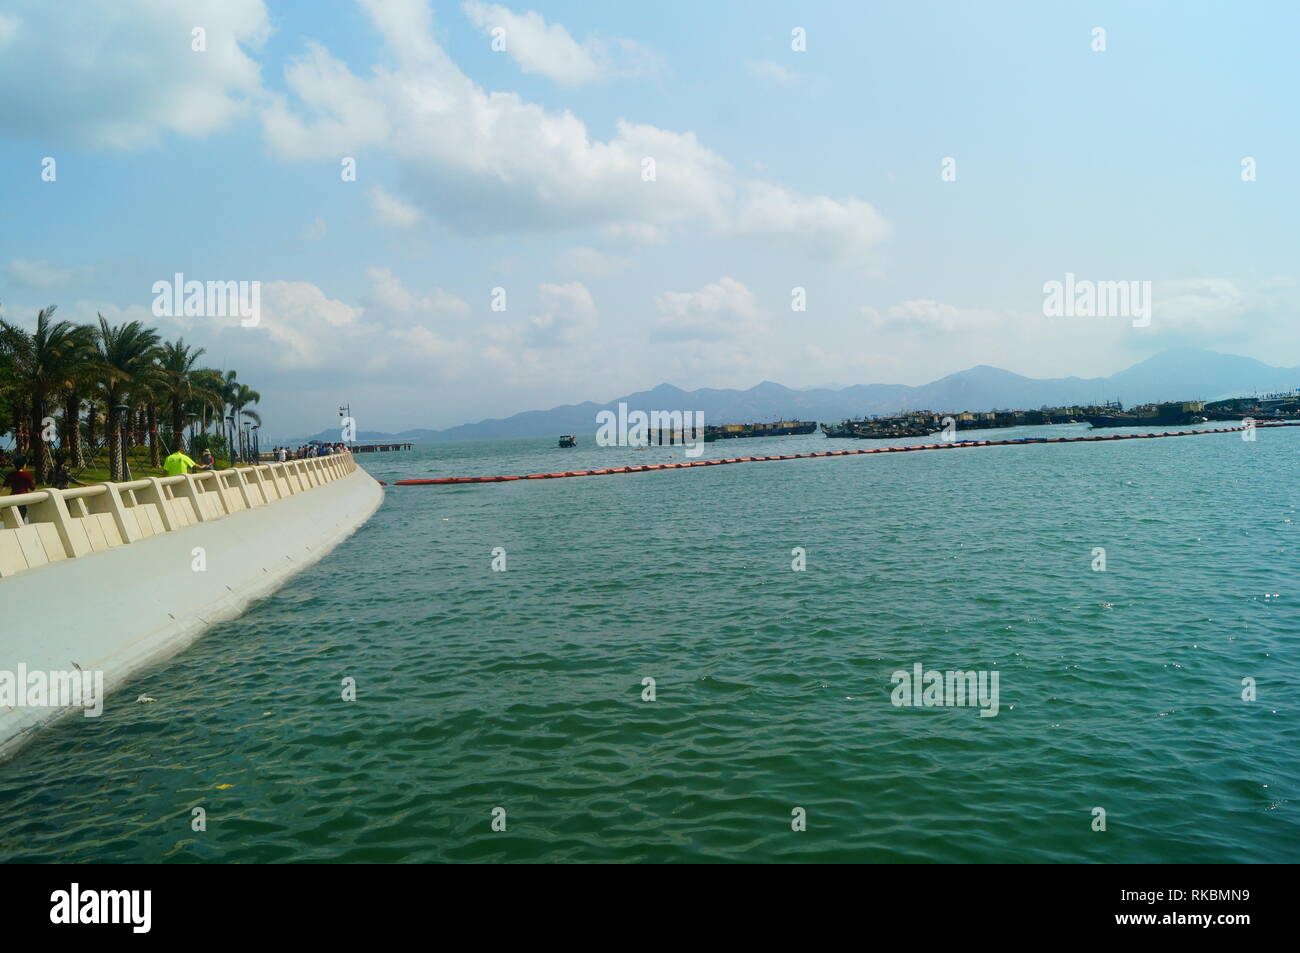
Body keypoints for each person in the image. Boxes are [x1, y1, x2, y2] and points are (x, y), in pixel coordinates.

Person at [3, 455, 36, 520]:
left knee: (14, 518)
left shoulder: (10, 475)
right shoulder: (27, 475)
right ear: (24, 465)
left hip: (12, 498)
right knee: (21, 517)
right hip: (23, 499)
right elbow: (32, 488)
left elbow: (4, 486)